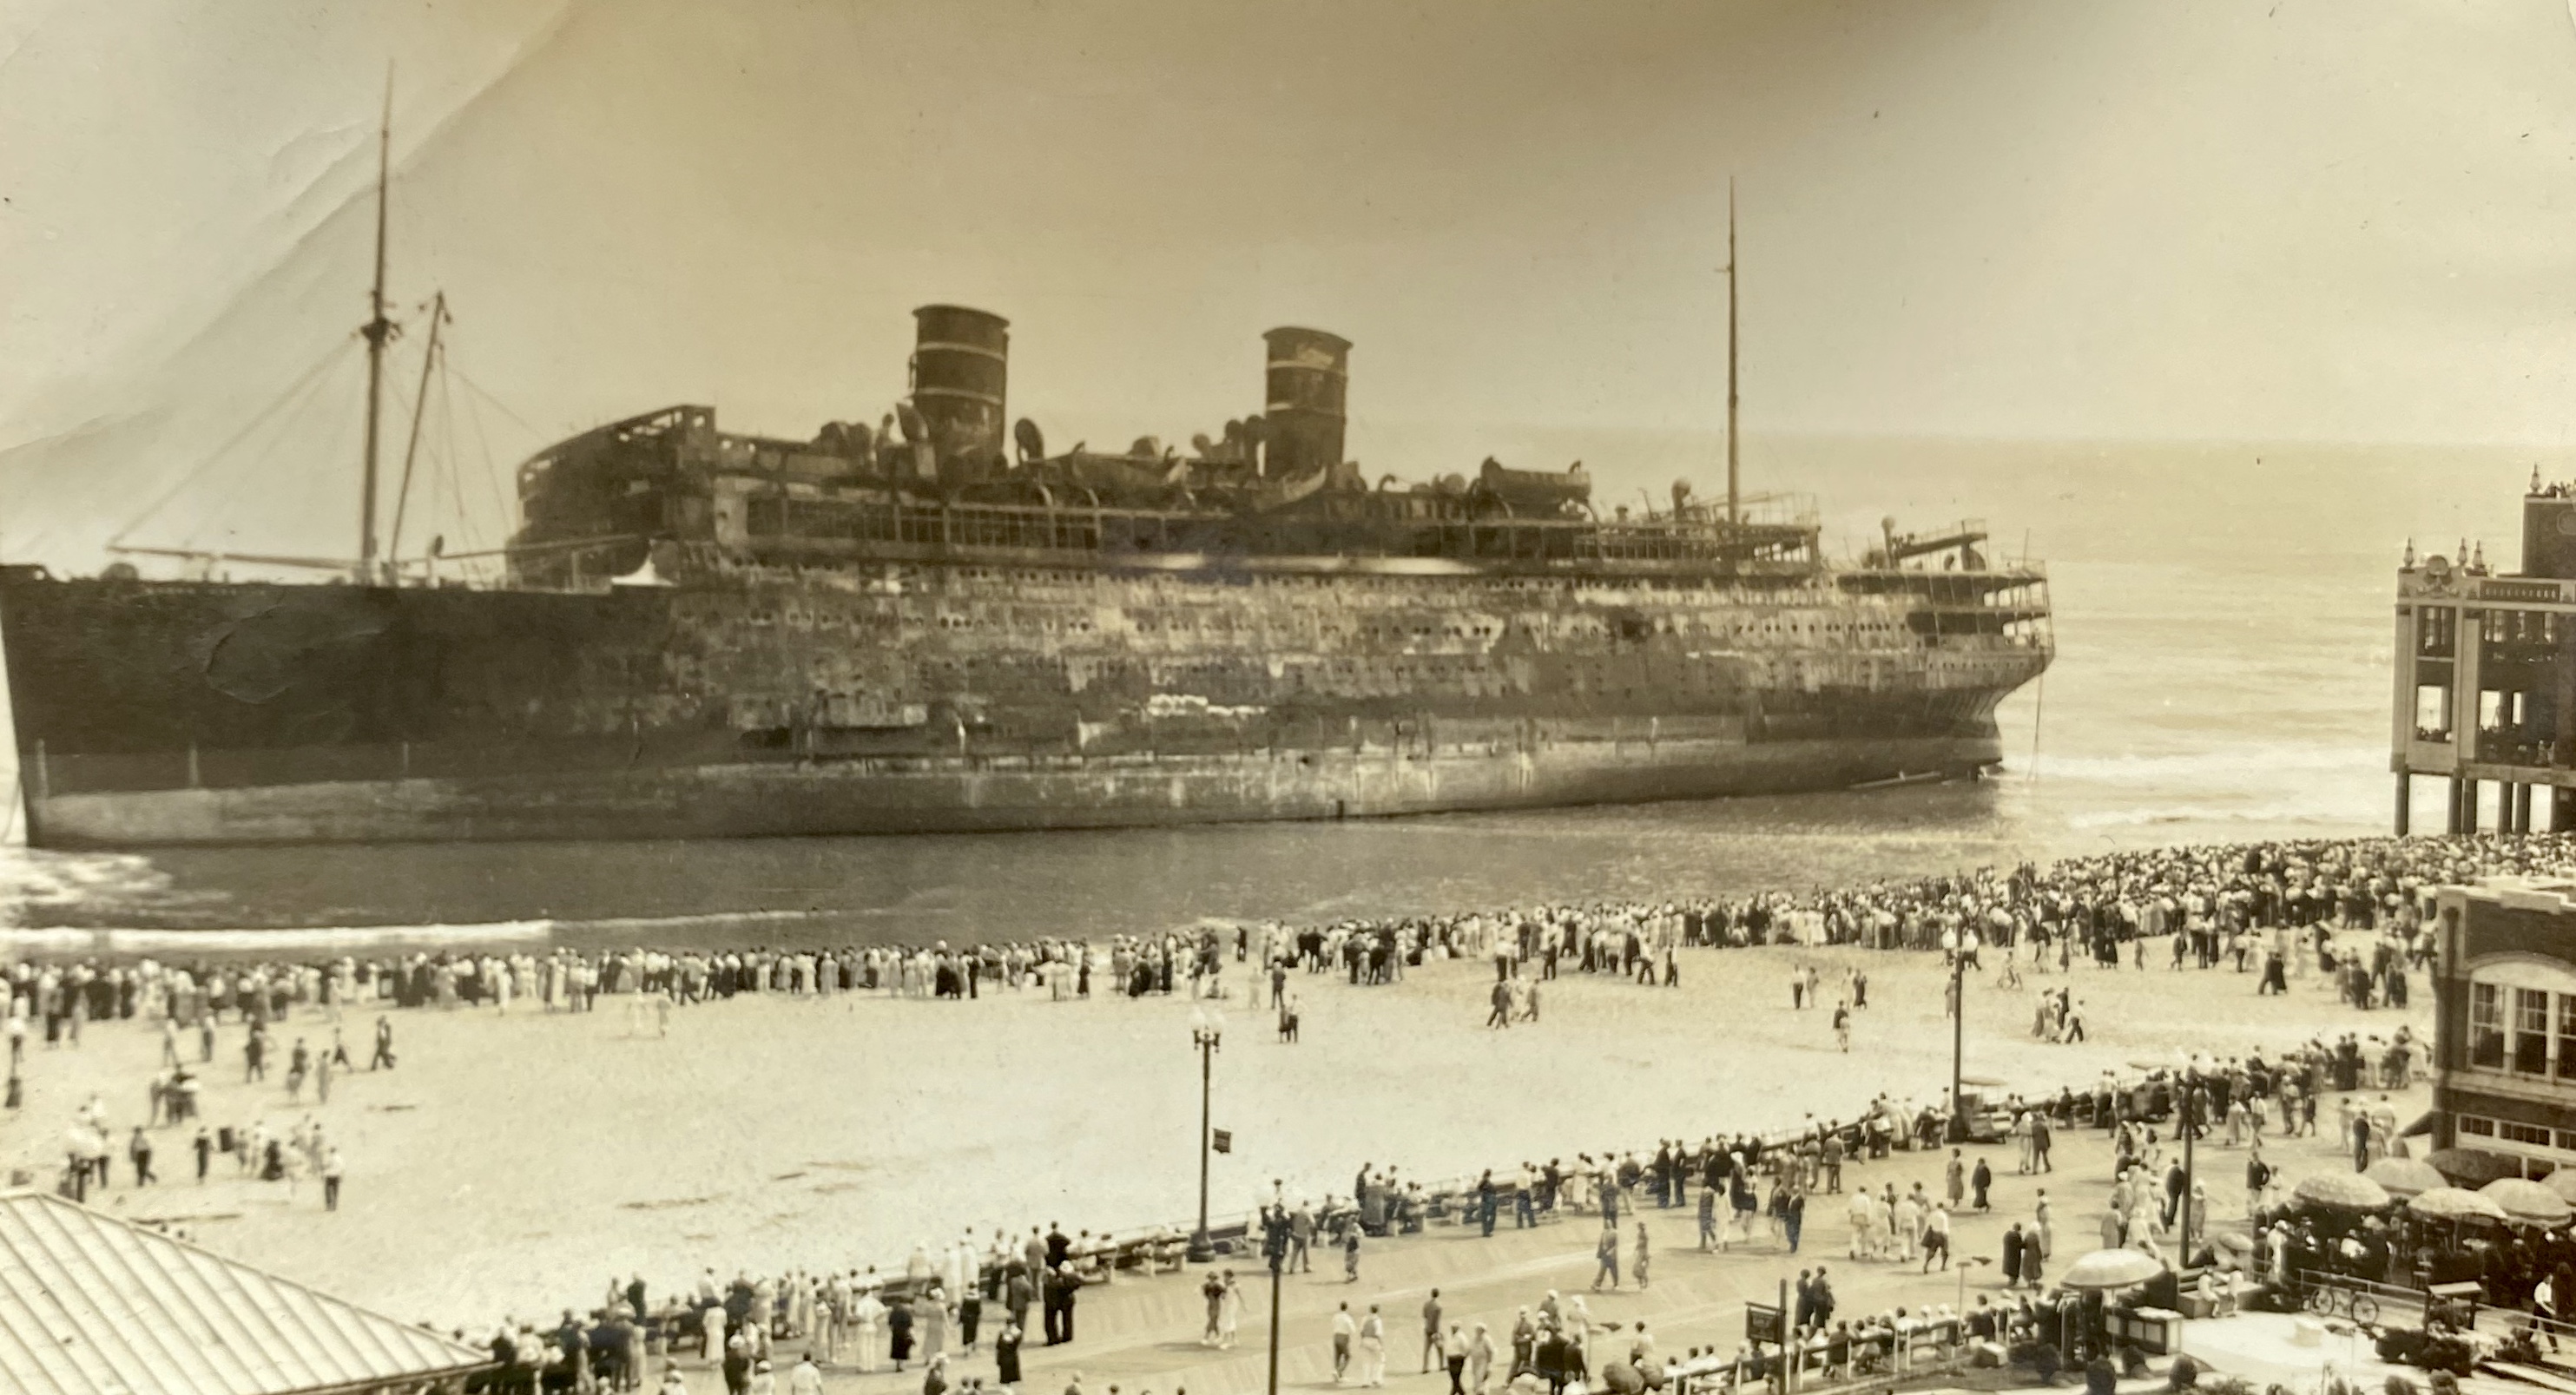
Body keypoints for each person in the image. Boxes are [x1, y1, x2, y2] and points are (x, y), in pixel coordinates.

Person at [1333, 1303, 1357, 1384]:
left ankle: (1338, 1374)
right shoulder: (1347, 1318)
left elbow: (1333, 1323)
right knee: (1347, 1356)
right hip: (1344, 1337)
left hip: (1336, 1336)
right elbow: (1352, 1330)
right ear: (1346, 1308)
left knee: (1338, 1356)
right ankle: (1339, 1371)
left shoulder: (1336, 1316)